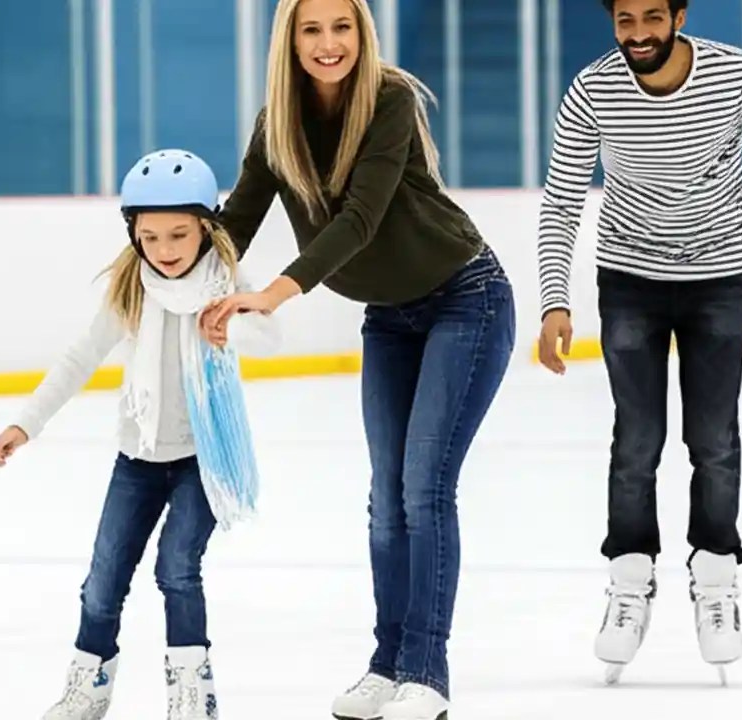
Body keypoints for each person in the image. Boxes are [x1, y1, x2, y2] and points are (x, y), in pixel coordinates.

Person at [201, 0, 515, 717]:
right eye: (312, 29)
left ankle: (426, 674)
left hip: (467, 299)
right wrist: (181, 274)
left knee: (423, 489)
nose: (328, 42)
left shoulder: (390, 99)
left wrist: (277, 293)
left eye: (342, 27)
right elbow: (237, 222)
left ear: (362, 34)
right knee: (385, 503)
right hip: (390, 318)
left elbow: (361, 217)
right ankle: (387, 664)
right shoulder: (276, 126)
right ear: (290, 40)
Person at [535, 0, 742, 684]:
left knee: (714, 439)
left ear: (681, 14)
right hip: (629, 278)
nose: (637, 34)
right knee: (636, 440)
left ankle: (717, 578)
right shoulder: (593, 89)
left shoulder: (736, 77)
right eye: (624, 20)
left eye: (651, 18)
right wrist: (554, 300)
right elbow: (562, 199)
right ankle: (629, 580)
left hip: (718, 278)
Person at [0, 149, 281, 720]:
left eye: (179, 234)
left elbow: (270, 336)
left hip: (203, 456)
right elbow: (80, 357)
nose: (166, 250)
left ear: (206, 228)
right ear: (134, 234)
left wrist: (231, 328)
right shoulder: (131, 290)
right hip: (139, 457)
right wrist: (28, 420)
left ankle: (192, 696)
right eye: (150, 237)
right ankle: (88, 690)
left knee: (176, 568)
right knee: (103, 580)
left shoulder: (225, 284)